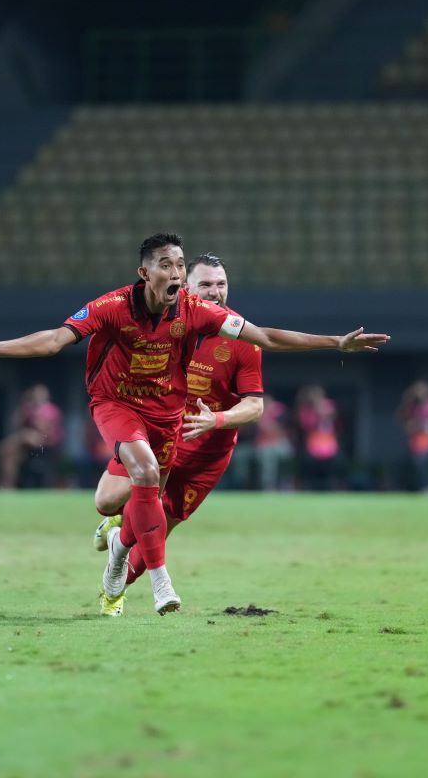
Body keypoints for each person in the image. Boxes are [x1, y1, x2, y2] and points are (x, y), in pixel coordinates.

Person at [0, 232, 388, 616]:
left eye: (180, 263)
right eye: (168, 265)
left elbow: (266, 337)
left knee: (130, 507)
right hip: (118, 405)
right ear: (145, 273)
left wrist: (336, 342)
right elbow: (55, 341)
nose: (176, 272)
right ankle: (162, 584)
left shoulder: (199, 314)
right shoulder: (112, 306)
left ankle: (118, 553)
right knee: (133, 482)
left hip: (169, 417)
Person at [92, 252, 266, 613]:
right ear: (184, 287)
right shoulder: (167, 324)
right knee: (107, 502)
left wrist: (215, 421)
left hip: (206, 456)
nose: (215, 292)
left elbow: (255, 405)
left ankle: (114, 589)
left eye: (221, 284)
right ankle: (118, 534)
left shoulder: (239, 336)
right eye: (205, 284)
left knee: (157, 530)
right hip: (159, 436)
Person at [0, 384, 65, 489]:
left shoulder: (51, 409)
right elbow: (16, 424)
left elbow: (47, 429)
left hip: (47, 441)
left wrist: (36, 419)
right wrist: (24, 407)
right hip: (28, 444)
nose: (39, 396)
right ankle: (8, 485)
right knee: (10, 455)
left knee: (23, 435)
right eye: (36, 394)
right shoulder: (29, 408)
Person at [296, 385, 341, 490]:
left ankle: (333, 488)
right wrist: (314, 411)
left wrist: (320, 409)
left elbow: (333, 416)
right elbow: (305, 425)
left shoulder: (329, 405)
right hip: (313, 443)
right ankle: (308, 488)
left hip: (329, 442)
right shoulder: (306, 410)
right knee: (309, 465)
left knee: (334, 466)